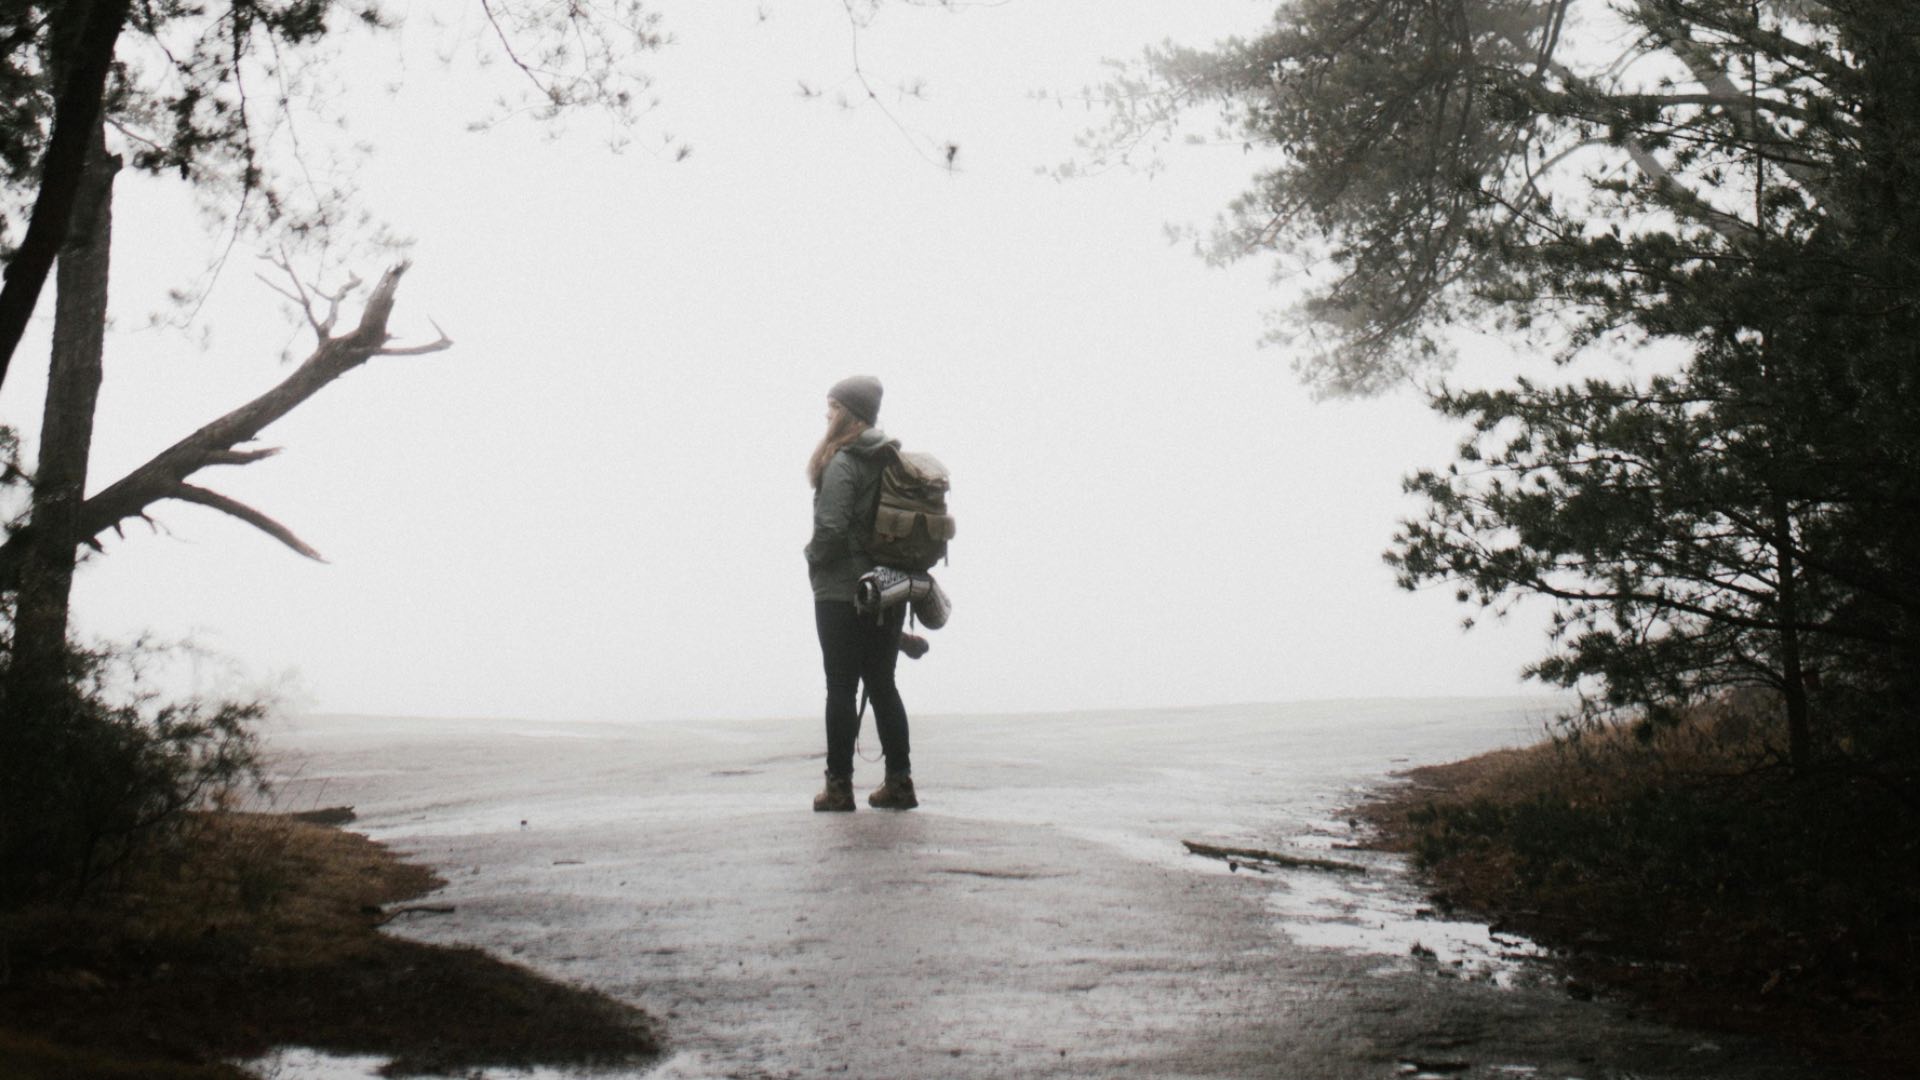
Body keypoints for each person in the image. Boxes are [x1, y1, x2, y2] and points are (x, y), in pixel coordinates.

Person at [805, 375, 916, 812]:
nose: (826, 416)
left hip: (841, 590)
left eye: (831, 409)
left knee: (840, 686)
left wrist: (812, 557)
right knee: (883, 684)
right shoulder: (891, 459)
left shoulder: (844, 462)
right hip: (888, 587)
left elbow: (830, 529)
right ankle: (900, 783)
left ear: (847, 414)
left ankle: (838, 787)